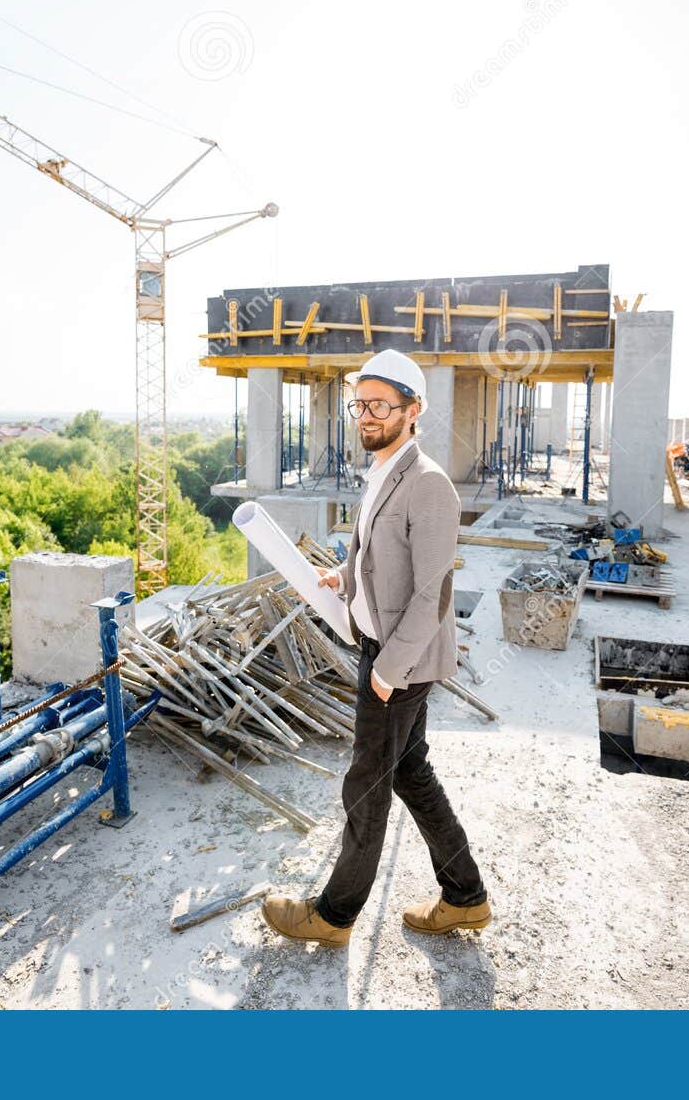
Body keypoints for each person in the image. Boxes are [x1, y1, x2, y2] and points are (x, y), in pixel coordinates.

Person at [262, 348, 490, 948]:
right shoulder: (383, 472)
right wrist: (347, 576)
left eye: (380, 405)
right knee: (411, 773)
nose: (366, 415)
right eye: (359, 403)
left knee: (366, 786)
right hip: (378, 646)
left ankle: (334, 915)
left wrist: (387, 670)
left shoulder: (429, 485)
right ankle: (465, 896)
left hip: (397, 661)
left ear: (412, 411)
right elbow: (377, 555)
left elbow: (433, 592)